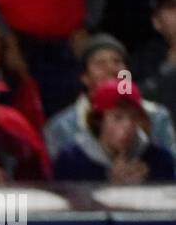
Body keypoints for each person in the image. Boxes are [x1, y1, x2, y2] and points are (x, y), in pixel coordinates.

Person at [43, 34, 176, 162]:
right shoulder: (60, 127)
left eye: (117, 62)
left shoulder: (157, 117)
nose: (111, 69)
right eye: (100, 63)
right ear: (85, 78)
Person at [52, 79, 176, 183]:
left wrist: (146, 186)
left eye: (134, 117)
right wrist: (110, 185)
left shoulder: (158, 159)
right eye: (118, 117)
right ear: (98, 120)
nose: (128, 126)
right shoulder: (71, 160)